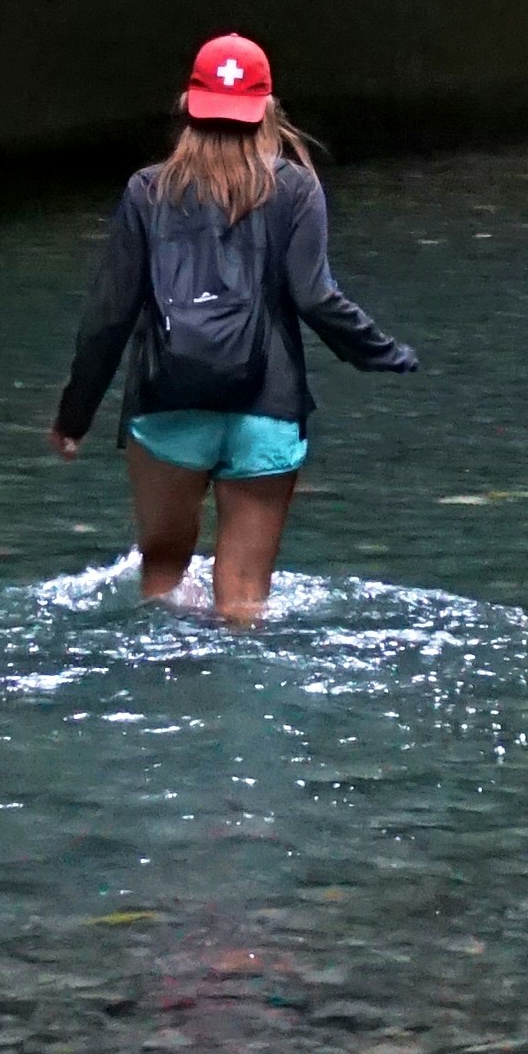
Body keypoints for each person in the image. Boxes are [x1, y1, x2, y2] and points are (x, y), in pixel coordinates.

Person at [51, 33, 418, 624]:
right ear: (267, 109)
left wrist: (75, 418)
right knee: (245, 595)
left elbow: (109, 316)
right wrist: (384, 353)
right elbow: (316, 298)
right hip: (265, 412)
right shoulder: (295, 188)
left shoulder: (148, 190)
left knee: (165, 571)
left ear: (188, 104)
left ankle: (170, 703)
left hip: (167, 407)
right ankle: (241, 711)